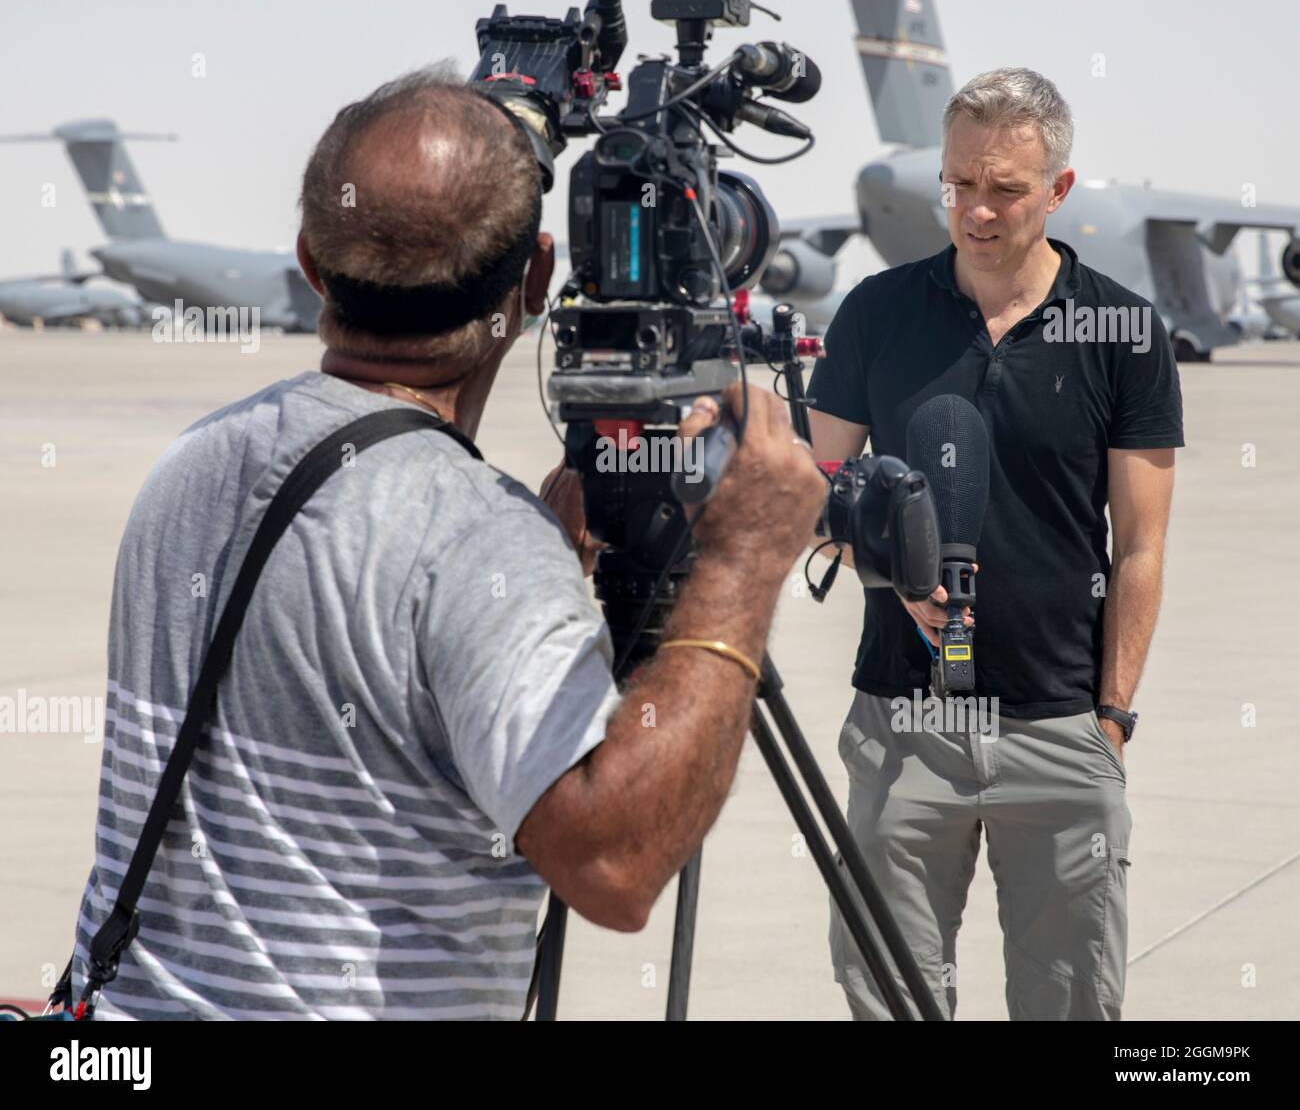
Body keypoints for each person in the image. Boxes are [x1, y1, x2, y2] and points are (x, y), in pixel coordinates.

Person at [70, 65, 825, 1020]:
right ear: (538, 278)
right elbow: (613, 864)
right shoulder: (472, 537)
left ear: (310, 262)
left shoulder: (193, 460)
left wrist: (521, 592)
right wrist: (742, 562)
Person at [807, 67, 1182, 1020]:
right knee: (889, 996)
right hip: (903, 726)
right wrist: (892, 570)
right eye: (958, 183)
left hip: (1059, 727)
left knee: (1069, 1006)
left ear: (1057, 189)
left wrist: (1111, 717)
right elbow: (818, 493)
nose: (975, 210)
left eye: (1004, 189)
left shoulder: (1124, 333)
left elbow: (1140, 545)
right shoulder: (875, 313)